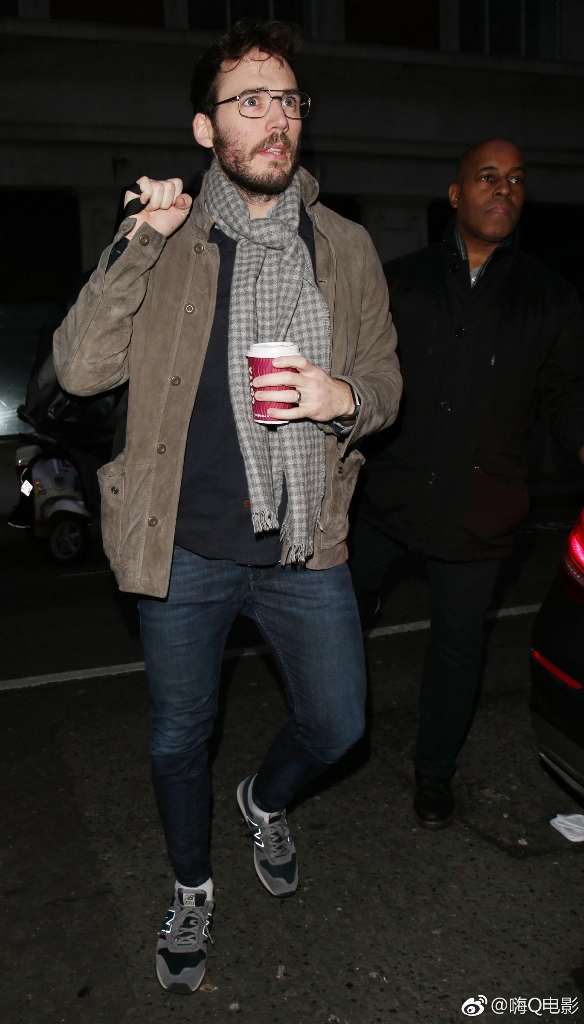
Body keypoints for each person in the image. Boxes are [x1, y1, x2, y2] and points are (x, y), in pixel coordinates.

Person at [54, 18, 401, 995]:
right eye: (249, 100)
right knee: (176, 737)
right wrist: (136, 238)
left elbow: (383, 378)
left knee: (338, 724)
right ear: (205, 128)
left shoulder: (344, 246)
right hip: (186, 546)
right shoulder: (166, 240)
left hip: (304, 537)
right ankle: (191, 884)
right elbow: (79, 368)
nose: (273, 118)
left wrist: (346, 400)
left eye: (286, 99)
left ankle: (263, 797)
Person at [350, 138, 584, 831]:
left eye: (515, 179)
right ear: (454, 194)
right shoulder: (399, 281)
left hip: (480, 509)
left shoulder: (550, 298)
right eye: (486, 177)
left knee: (457, 652)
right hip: (386, 498)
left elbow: (564, 395)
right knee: (329, 623)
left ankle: (433, 776)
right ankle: (329, 736)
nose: (502, 189)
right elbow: (357, 376)